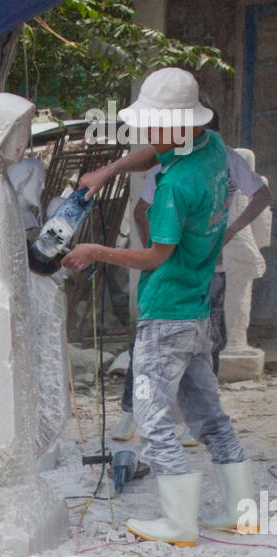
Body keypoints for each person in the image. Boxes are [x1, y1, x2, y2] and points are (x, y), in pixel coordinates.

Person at [65, 68, 250, 545]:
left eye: (153, 123)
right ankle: (240, 510)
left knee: (150, 417)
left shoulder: (173, 189)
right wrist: (110, 169)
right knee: (209, 416)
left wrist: (97, 251)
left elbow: (155, 255)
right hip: (196, 309)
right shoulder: (210, 149)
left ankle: (178, 523)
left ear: (177, 124)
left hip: (166, 312)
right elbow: (159, 151)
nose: (146, 133)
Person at [113, 103, 271, 442]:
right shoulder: (172, 172)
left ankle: (190, 419)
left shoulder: (224, 158)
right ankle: (131, 412)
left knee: (206, 343)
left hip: (210, 268)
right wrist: (156, 250)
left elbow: (262, 195)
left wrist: (231, 232)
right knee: (148, 341)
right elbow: (142, 211)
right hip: (169, 270)